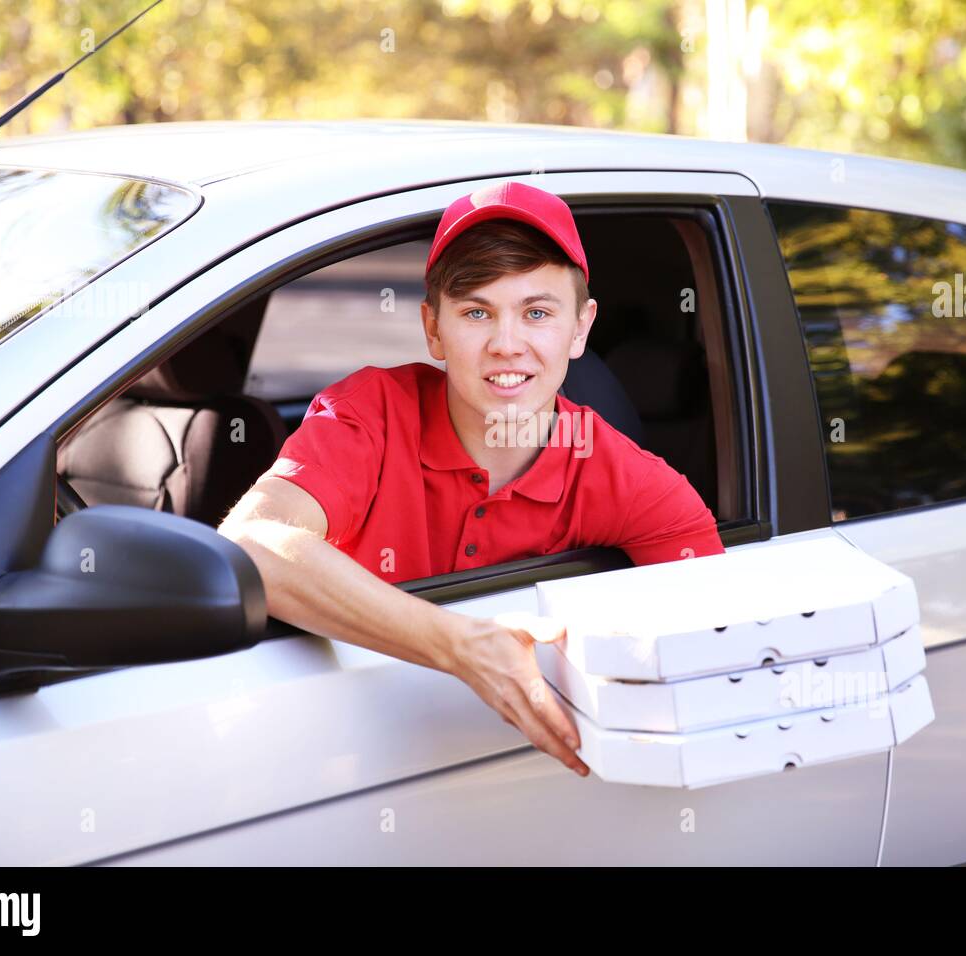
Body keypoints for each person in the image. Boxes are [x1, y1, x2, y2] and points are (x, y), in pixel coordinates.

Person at [217, 181, 723, 777]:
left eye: (537, 313)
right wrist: (462, 647)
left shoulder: (630, 479)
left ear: (581, 328)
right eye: (476, 312)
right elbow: (252, 543)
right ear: (433, 329)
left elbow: (716, 647)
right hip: (327, 754)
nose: (507, 346)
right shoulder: (370, 413)